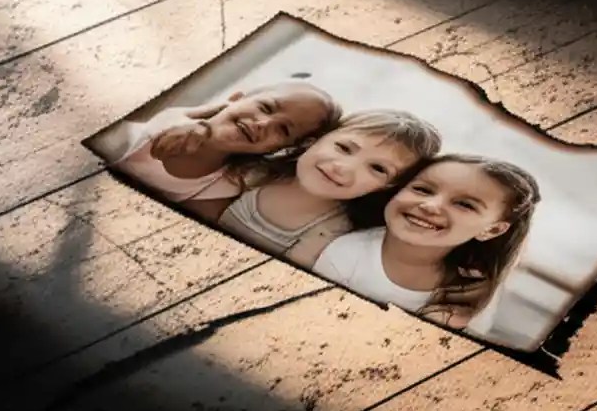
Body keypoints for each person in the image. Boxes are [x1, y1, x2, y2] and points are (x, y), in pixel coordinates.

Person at [312, 154, 540, 329]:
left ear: (492, 230)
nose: (430, 206)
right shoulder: (346, 254)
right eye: (422, 189)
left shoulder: (475, 289)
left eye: (464, 204)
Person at [202, 110, 442, 266]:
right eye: (344, 148)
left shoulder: (332, 229)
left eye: (378, 169)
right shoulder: (256, 174)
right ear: (315, 139)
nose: (343, 169)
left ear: (386, 187)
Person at [108, 80, 342, 206]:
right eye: (266, 107)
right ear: (236, 98)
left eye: (282, 129)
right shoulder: (169, 119)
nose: (262, 123)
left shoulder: (224, 185)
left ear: (280, 149)